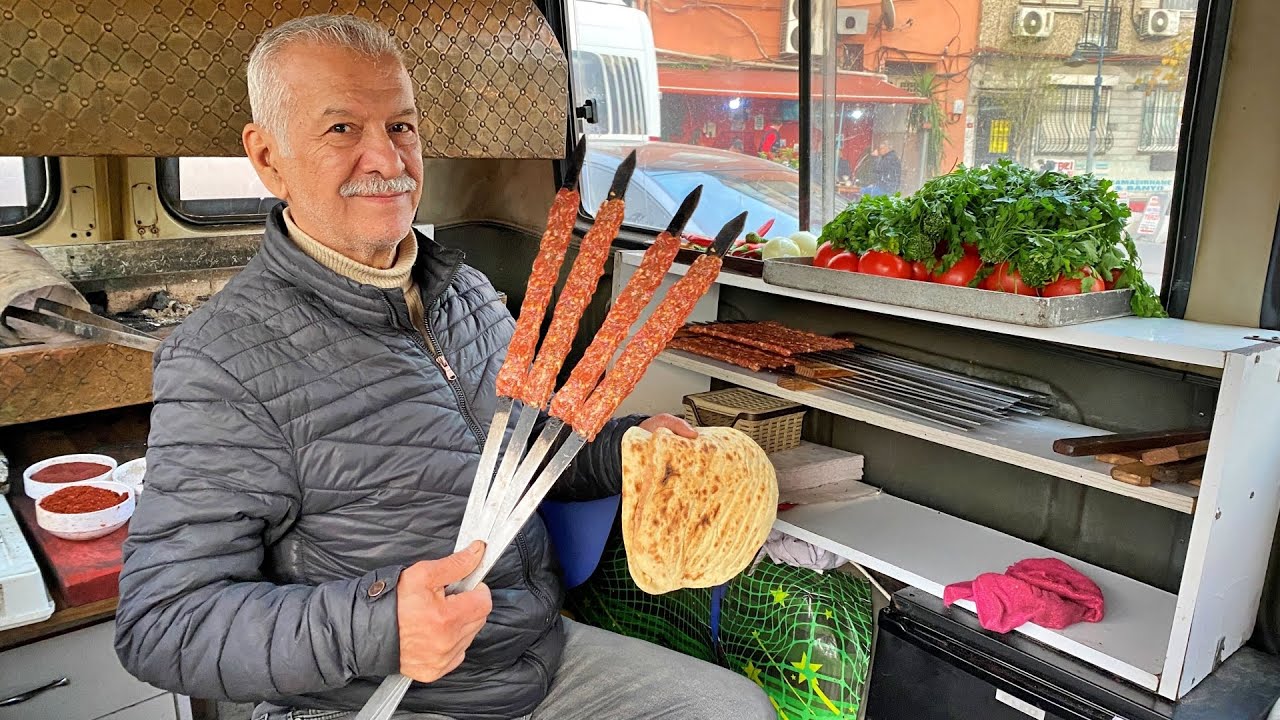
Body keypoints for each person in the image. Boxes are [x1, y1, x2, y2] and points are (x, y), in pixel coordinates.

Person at [113, 15, 776, 720]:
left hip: (532, 654)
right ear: (269, 157)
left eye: (401, 126)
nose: (386, 159)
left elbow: (531, 458)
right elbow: (162, 623)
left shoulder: (468, 295)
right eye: (342, 129)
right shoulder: (222, 359)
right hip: (377, 692)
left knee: (735, 711)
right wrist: (377, 626)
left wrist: (630, 449)